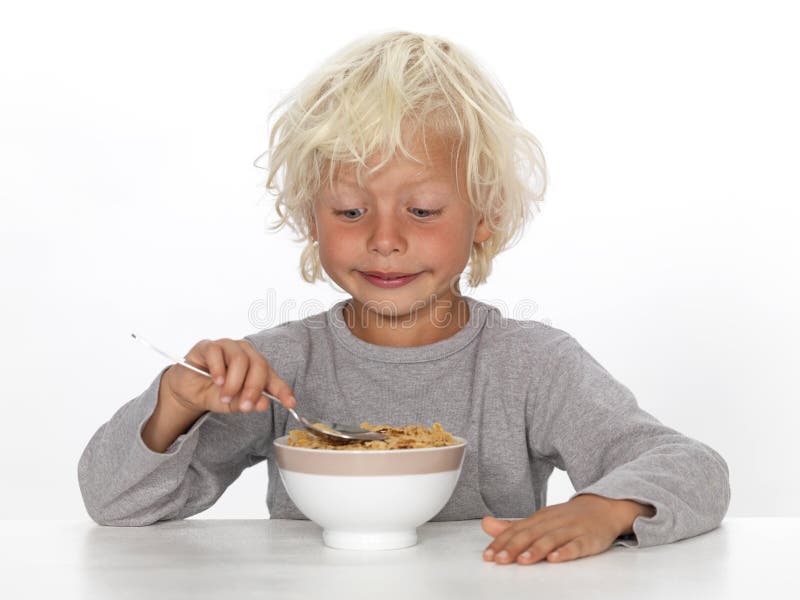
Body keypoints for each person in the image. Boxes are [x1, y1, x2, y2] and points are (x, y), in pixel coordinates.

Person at [78, 30, 730, 566]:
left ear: (484, 220)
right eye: (351, 209)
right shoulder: (274, 372)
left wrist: (605, 510)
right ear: (311, 219)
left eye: (421, 209)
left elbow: (694, 469)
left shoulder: (531, 367)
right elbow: (115, 506)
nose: (385, 239)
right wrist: (172, 407)